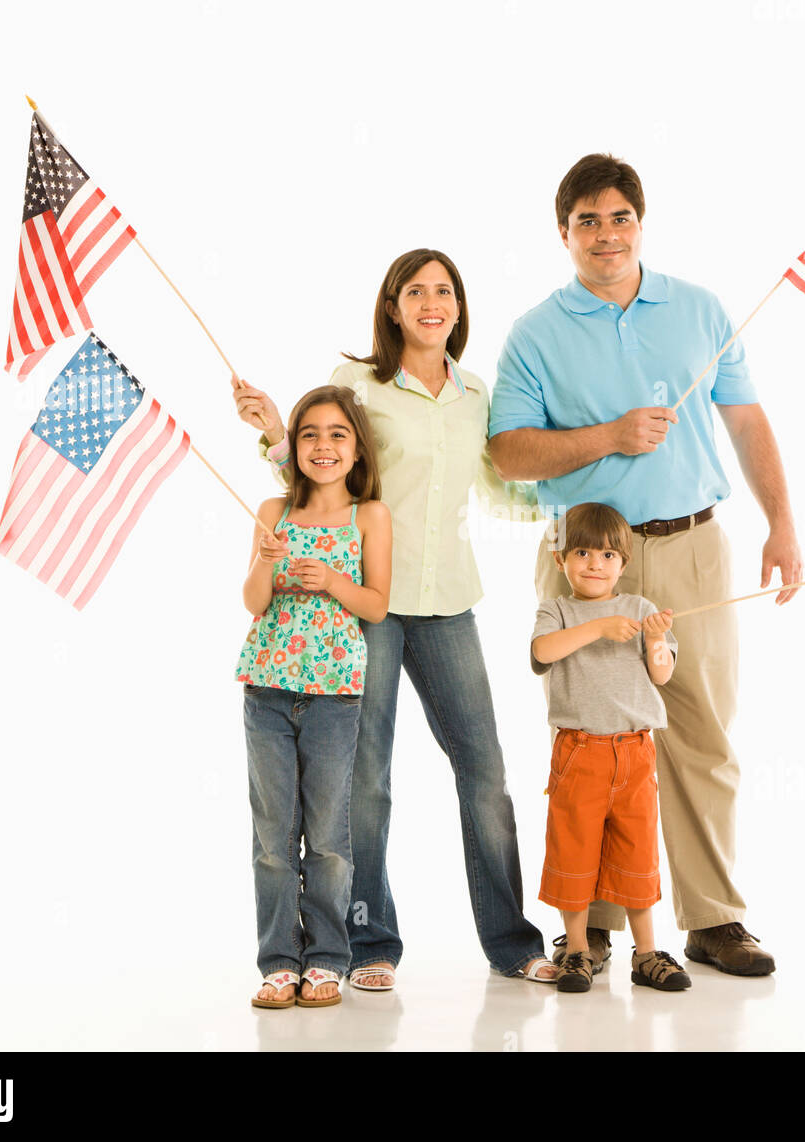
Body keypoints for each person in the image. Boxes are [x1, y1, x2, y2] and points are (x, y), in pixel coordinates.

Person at [490, 154, 803, 977]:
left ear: (640, 222)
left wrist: (783, 524)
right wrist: (610, 436)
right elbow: (509, 451)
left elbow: (745, 420)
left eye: (619, 216)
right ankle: (585, 931)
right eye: (587, 220)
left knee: (701, 730)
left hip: (694, 547)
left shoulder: (699, 309)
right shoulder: (535, 332)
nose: (605, 233)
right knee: (591, 738)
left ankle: (712, 921)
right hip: (587, 561)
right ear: (564, 233)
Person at [233, 249, 556, 988]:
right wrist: (274, 432)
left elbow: (498, 485)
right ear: (392, 306)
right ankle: (370, 944)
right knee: (366, 783)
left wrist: (571, 515)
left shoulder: (477, 392)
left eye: (444, 291)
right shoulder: (359, 385)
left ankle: (512, 943)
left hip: (448, 603)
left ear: (459, 307)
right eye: (416, 291)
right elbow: (320, 471)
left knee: (485, 772)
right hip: (365, 604)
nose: (431, 303)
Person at [238, 384, 392, 1010]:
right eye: (309, 435)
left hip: (334, 696)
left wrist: (330, 581)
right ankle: (279, 962)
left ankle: (327, 959)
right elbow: (252, 602)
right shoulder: (273, 511)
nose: (322, 446)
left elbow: (377, 606)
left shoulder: (369, 516)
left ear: (356, 449)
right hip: (268, 690)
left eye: (336, 435)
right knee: (275, 836)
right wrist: (267, 567)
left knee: (328, 837)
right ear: (292, 447)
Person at [531, 503, 691, 994]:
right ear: (562, 561)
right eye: (582, 552)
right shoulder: (558, 610)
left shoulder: (640, 610)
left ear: (623, 563)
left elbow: (661, 674)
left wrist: (658, 641)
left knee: (637, 854)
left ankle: (646, 953)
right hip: (581, 754)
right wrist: (598, 627)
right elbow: (542, 652)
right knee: (574, 851)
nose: (594, 564)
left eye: (606, 554)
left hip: (636, 753)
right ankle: (577, 951)